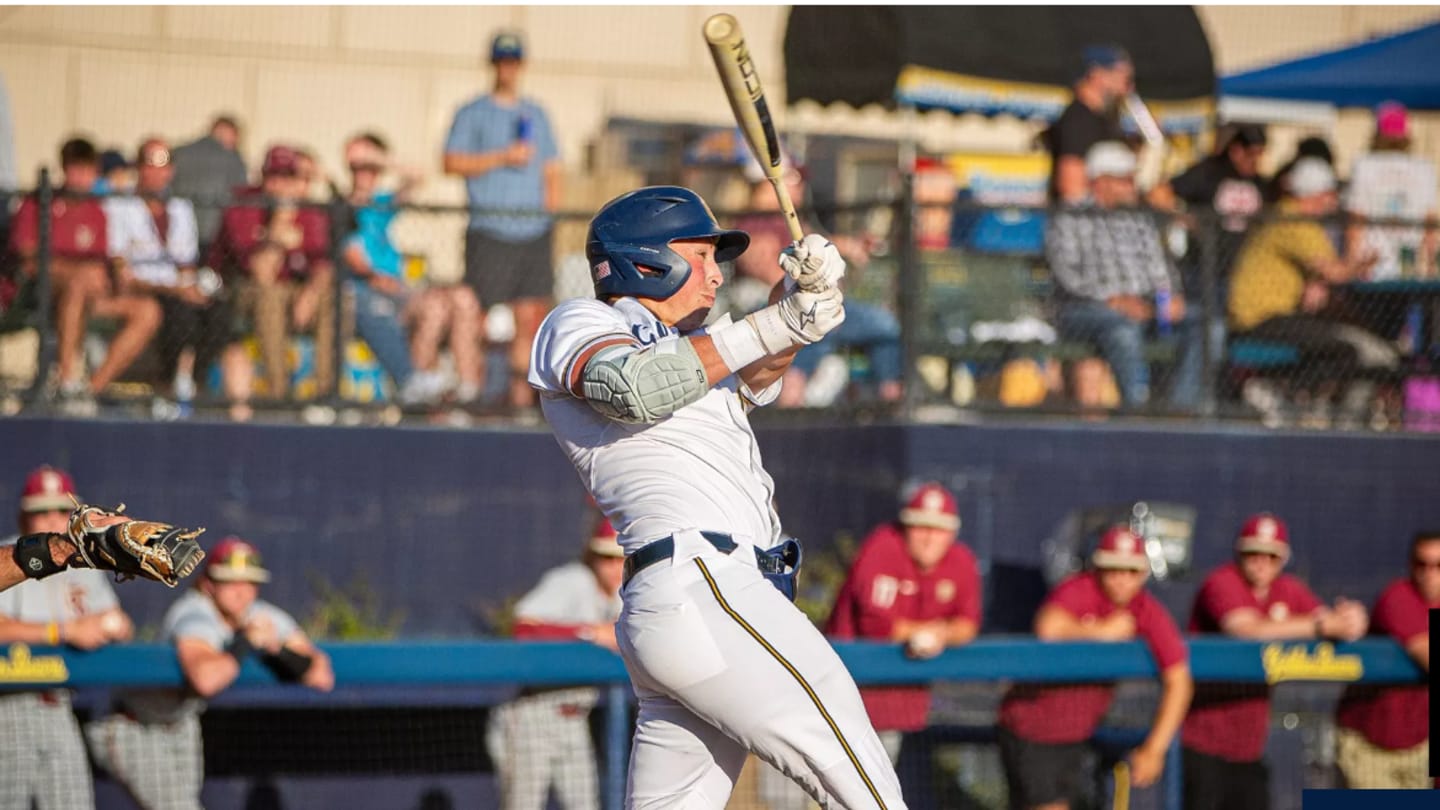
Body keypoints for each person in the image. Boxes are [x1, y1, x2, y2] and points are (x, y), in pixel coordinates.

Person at [528, 185, 904, 808]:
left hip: (699, 601)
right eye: (699, 255)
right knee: (860, 780)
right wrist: (777, 319)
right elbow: (635, 388)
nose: (714, 273)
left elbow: (756, 370)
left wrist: (802, 302)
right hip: (702, 581)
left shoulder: (694, 344)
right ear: (645, 260)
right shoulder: (585, 320)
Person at [86, 536, 334, 810]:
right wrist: (247, 643)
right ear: (208, 584)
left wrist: (278, 650)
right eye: (230, 581)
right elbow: (205, 681)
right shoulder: (195, 613)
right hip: (132, 723)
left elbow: (321, 675)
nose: (241, 591)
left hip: (180, 723)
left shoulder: (257, 615)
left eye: (249, 582)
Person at [1181, 513, 1369, 810]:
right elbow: (1246, 630)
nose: (1261, 562)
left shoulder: (1287, 589)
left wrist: (1350, 618)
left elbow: (1328, 619)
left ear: (1282, 559)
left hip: (1250, 748)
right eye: (1253, 553)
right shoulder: (1221, 582)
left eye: (1271, 555)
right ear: (1239, 553)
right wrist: (1319, 626)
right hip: (1202, 744)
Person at [997, 526, 1192, 810]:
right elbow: (1049, 626)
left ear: (1143, 574)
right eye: (1113, 569)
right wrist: (1102, 631)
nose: (1121, 580)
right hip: (1031, 729)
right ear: (1098, 568)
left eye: (1131, 571)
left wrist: (1154, 749)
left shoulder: (1144, 609)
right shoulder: (1080, 588)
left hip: (1077, 738)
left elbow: (1179, 680)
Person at [0, 465, 135, 810]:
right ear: (23, 516)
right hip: (9, 702)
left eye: (61, 509)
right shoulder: (11, 556)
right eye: (40, 510)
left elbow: (119, 625)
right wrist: (62, 631)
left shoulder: (83, 565)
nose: (52, 518)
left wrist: (113, 625)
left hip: (59, 703)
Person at [1228, 158, 1398, 424]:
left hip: (1276, 315)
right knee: (1348, 350)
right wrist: (1363, 264)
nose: (1334, 201)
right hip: (1262, 318)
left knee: (1359, 347)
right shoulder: (1294, 218)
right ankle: (1274, 390)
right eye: (1330, 194)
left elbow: (1323, 272)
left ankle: (1304, 399)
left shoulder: (1294, 217)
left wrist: (1318, 280)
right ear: (1317, 195)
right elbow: (1335, 272)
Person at [445, 30, 562, 409]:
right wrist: (502, 157)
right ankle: (474, 395)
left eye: (513, 61)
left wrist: (549, 218)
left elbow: (552, 170)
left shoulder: (537, 113)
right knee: (478, 319)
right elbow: (452, 162)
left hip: (532, 232)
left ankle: (521, 404)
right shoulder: (472, 112)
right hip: (490, 231)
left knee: (529, 319)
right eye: (501, 61)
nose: (507, 69)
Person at [730, 154, 901, 407]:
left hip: (818, 305)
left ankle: (892, 398)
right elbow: (765, 269)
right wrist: (810, 283)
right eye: (795, 179)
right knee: (815, 322)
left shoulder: (791, 219)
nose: (800, 186)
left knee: (884, 325)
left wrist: (849, 246)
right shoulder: (754, 221)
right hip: (776, 307)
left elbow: (817, 245)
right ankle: (791, 396)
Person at [826, 482, 980, 763]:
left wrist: (941, 634)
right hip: (841, 692)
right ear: (905, 526)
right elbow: (876, 626)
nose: (929, 538)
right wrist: (927, 633)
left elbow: (967, 624)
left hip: (903, 704)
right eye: (921, 526)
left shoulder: (960, 561)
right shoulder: (883, 547)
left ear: (952, 533)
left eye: (939, 529)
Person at [8, 136, 162, 409]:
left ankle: (89, 390)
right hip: (42, 293)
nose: (82, 178)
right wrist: (77, 272)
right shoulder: (39, 204)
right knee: (80, 282)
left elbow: (102, 263)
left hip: (92, 295)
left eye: (88, 171)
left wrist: (116, 273)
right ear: (65, 170)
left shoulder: (96, 211)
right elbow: (29, 258)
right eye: (76, 170)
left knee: (148, 311)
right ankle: (67, 380)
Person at [1046, 141, 1203, 409]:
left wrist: (1170, 296)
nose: (1133, 186)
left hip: (1145, 306)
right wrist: (1114, 300)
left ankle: (1180, 410)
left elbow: (1159, 268)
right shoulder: (1070, 216)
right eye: (1125, 179)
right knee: (1121, 328)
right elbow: (1068, 276)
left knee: (1203, 323)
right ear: (1101, 181)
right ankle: (1136, 410)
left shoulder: (1139, 218)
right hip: (1086, 310)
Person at [487, 517, 626, 810]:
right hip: (534, 712)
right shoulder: (573, 580)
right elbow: (523, 628)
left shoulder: (623, 595)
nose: (615, 567)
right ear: (593, 556)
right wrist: (587, 633)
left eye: (621, 558)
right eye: (607, 557)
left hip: (576, 718)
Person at [343, 132, 484, 406]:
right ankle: (420, 388)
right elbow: (357, 261)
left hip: (399, 287)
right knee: (434, 309)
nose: (365, 174)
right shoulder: (342, 208)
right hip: (372, 291)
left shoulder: (381, 204)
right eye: (359, 168)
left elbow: (418, 177)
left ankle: (468, 389)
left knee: (463, 299)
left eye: (371, 169)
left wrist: (378, 158)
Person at [105, 136, 238, 407]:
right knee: (180, 316)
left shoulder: (180, 208)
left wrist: (193, 288)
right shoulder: (119, 206)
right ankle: (167, 385)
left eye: (163, 164)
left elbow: (185, 263)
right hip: (146, 289)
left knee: (220, 313)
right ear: (139, 168)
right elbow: (123, 271)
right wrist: (176, 289)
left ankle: (194, 384)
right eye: (150, 163)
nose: (157, 172)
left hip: (178, 288)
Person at [208, 144, 335, 410]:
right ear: (262, 177)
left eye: (288, 177)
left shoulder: (309, 209)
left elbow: (323, 266)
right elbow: (262, 274)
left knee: (333, 297)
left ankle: (325, 396)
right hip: (238, 289)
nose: (280, 185)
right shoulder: (243, 203)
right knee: (271, 296)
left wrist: (310, 296)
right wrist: (280, 223)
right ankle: (279, 395)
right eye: (273, 176)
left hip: (292, 287)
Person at [1333, 530, 1439, 789]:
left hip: (1418, 747)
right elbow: (1427, 652)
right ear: (1410, 565)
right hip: (1371, 746)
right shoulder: (1398, 596)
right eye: (1420, 563)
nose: (1428, 572)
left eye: (1438, 565)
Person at [1344, 102, 1438, 281]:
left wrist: (1351, 263)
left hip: (1370, 263)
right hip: (1410, 264)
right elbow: (1429, 224)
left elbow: (1356, 220)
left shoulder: (1364, 165)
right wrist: (1431, 265)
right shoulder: (1423, 168)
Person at [1045, 45, 1132, 204]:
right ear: (1097, 74)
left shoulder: (1108, 118)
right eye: (1121, 74)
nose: (1127, 85)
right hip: (1085, 221)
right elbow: (1071, 187)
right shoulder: (1078, 119)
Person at [170, 114, 248, 257]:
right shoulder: (233, 159)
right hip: (214, 235)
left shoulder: (179, 153)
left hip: (176, 232)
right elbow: (240, 195)